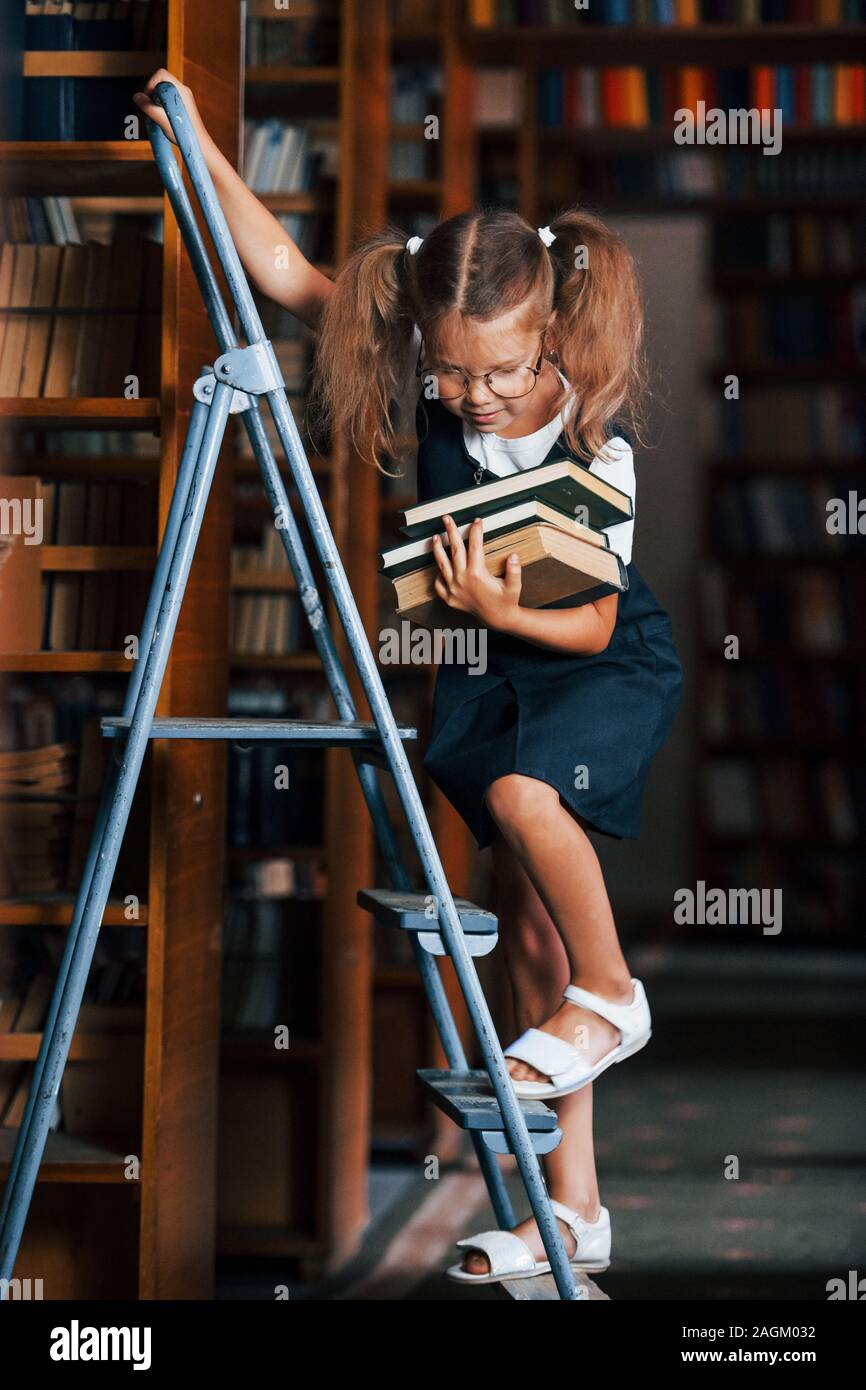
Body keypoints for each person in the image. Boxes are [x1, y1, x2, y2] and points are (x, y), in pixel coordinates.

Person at [134, 71, 684, 1287]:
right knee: (526, 937)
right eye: (448, 373)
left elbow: (594, 622)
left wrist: (493, 604)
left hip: (595, 664)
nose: (472, 395)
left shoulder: (594, 439)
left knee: (532, 811)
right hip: (492, 673)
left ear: (545, 335)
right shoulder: (425, 355)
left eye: (496, 373)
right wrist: (197, 139)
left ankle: (616, 989)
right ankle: (575, 1206)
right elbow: (281, 269)